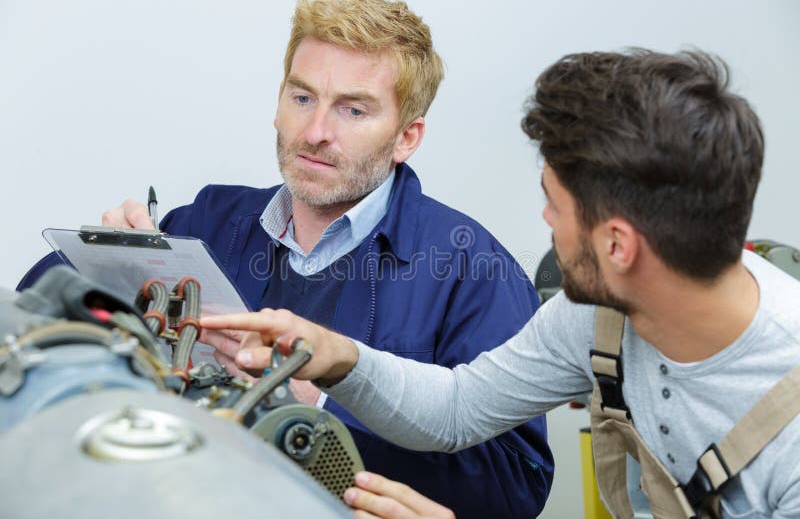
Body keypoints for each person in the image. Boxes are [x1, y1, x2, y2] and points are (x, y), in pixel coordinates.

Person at [200, 49, 800, 518]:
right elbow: (459, 408)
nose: (545, 221)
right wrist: (339, 358)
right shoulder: (598, 317)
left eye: (554, 204)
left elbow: (511, 476)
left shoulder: (789, 425)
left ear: (618, 246)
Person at [17, 0, 553, 518]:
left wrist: (315, 404)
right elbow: (29, 322)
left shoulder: (473, 271)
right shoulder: (205, 222)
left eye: (353, 109)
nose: (316, 133)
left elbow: (516, 485)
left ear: (406, 138)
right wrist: (106, 265)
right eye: (302, 98)